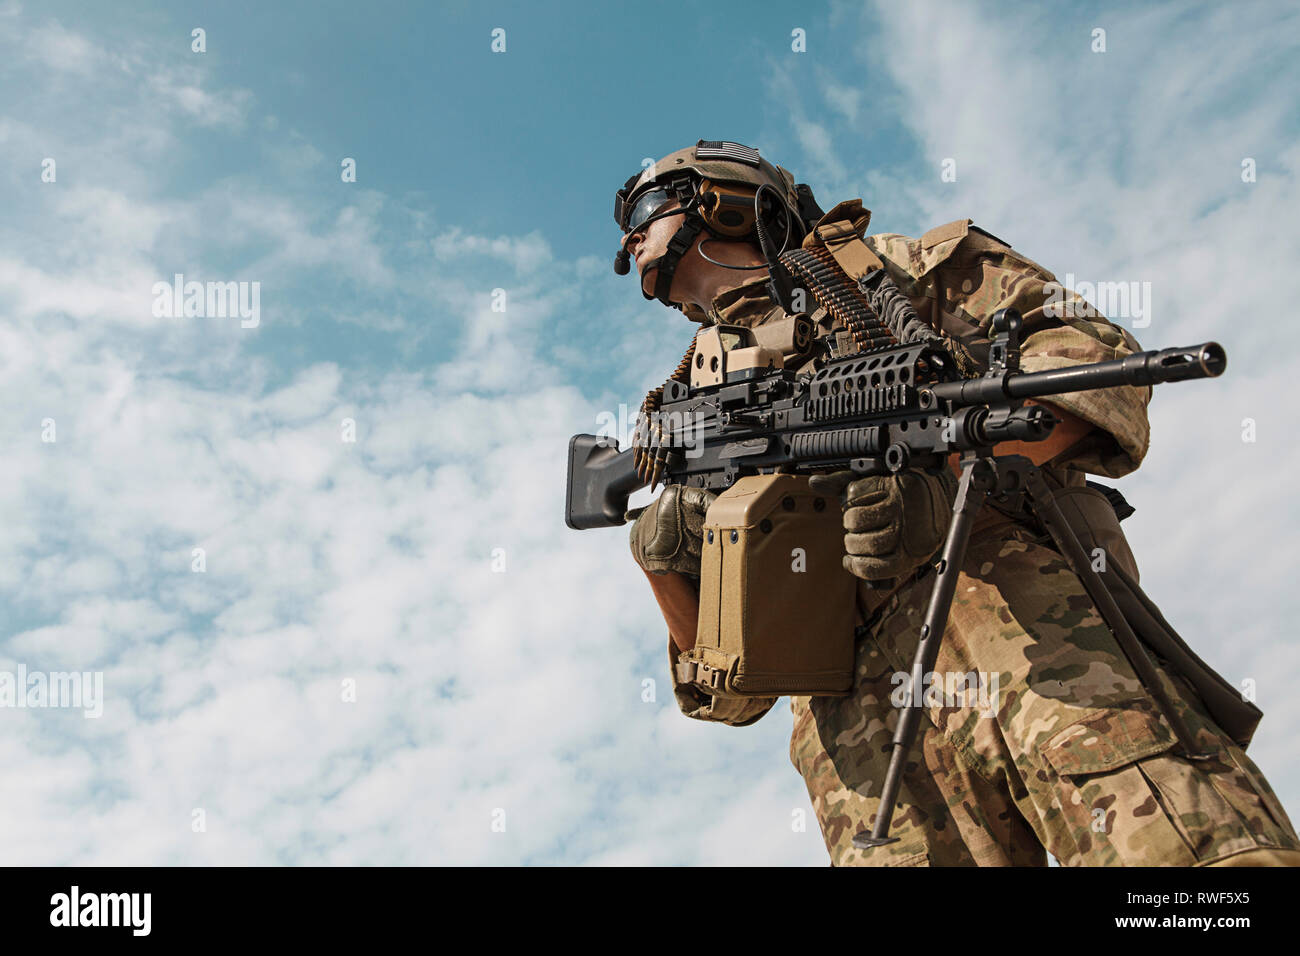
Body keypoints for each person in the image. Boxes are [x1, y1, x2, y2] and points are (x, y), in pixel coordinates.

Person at [615, 140, 1300, 866]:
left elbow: (1095, 368)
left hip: (1019, 626)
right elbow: (733, 696)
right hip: (860, 741)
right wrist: (660, 562)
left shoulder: (906, 271)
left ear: (724, 196)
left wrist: (945, 477)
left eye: (648, 208)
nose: (629, 237)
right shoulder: (685, 398)